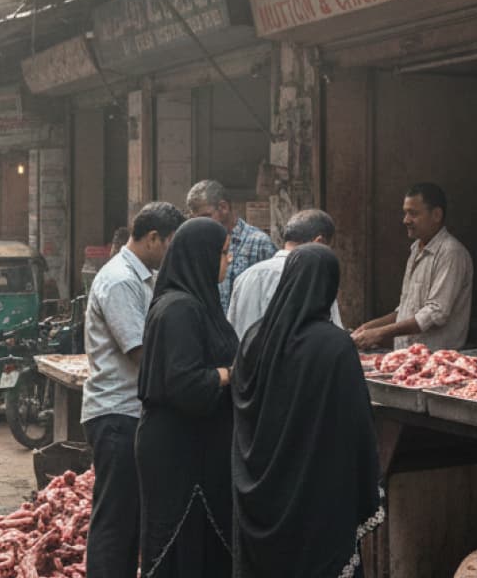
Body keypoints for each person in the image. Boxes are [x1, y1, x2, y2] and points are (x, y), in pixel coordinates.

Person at [231, 243, 381, 577]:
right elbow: (356, 422)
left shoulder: (254, 339)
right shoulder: (335, 346)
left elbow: (242, 406)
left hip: (260, 489)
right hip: (319, 492)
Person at [81, 202, 184, 578]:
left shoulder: (143, 277)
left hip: (129, 413)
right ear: (153, 238)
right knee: (116, 520)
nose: (173, 253)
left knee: (130, 520)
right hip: (116, 413)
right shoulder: (121, 279)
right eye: (171, 243)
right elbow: (141, 350)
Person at [136, 217, 238, 578]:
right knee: (184, 541)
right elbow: (185, 384)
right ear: (201, 257)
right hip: (180, 448)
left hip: (198, 443)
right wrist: (230, 374)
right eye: (224, 253)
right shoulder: (180, 309)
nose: (229, 261)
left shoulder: (196, 304)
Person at [352, 183, 472, 351]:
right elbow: (406, 310)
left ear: (436, 215)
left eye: (413, 214)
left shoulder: (451, 252)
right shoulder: (416, 249)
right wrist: (368, 328)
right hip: (408, 356)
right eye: (405, 213)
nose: (406, 220)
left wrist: (381, 333)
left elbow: (435, 313)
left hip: (437, 360)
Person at [226, 209, 343, 340]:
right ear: (319, 242)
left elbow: (233, 332)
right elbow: (332, 334)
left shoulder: (245, 277)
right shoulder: (315, 279)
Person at [187, 179, 276, 312]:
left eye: (206, 216)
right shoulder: (199, 245)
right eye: (196, 220)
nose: (201, 224)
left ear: (224, 207)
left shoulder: (259, 243)